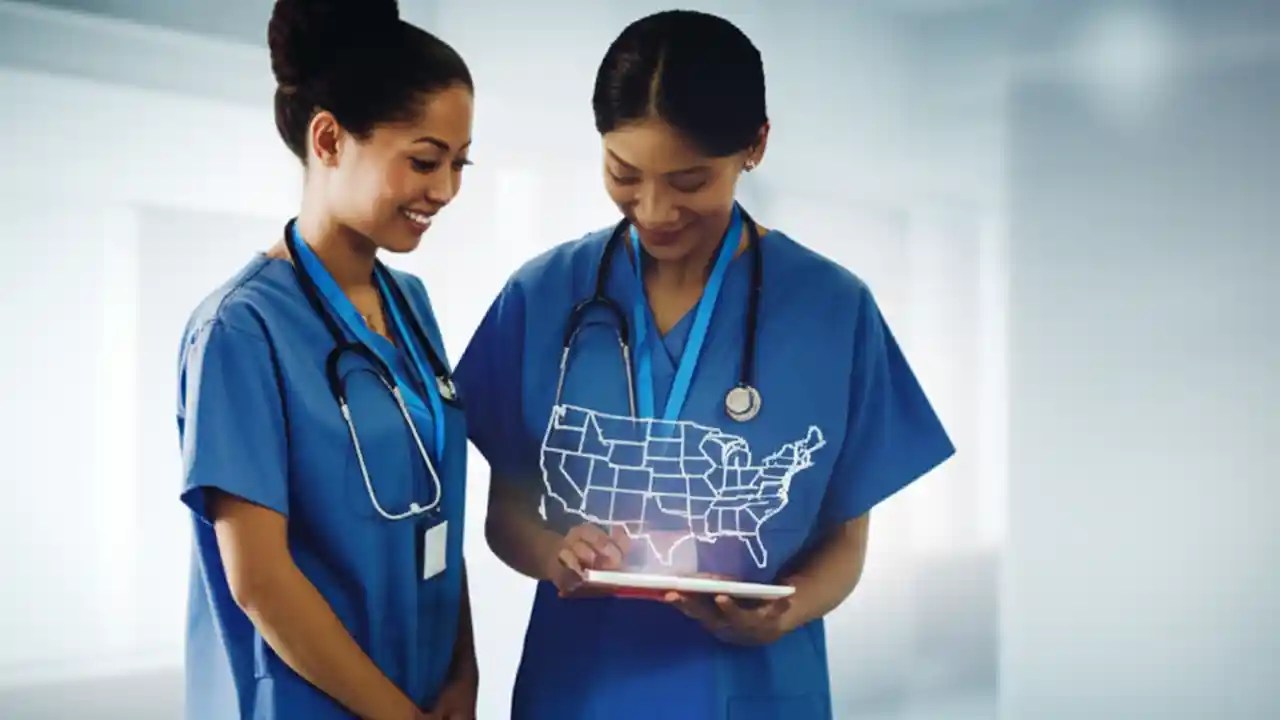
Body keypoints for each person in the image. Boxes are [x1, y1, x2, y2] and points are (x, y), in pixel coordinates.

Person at [453, 9, 955, 720]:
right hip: (582, 689)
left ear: (755, 146)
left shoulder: (832, 310)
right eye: (624, 174)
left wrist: (785, 613)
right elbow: (506, 514)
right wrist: (554, 555)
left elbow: (846, 541)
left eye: (689, 181)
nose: (654, 209)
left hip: (753, 690)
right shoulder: (543, 296)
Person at [175, 1, 477, 717]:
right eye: (425, 160)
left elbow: (436, 509)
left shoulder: (412, 304)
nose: (445, 190)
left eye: (459, 164)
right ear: (329, 138)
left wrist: (462, 678)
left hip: (425, 692)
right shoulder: (241, 331)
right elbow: (261, 581)